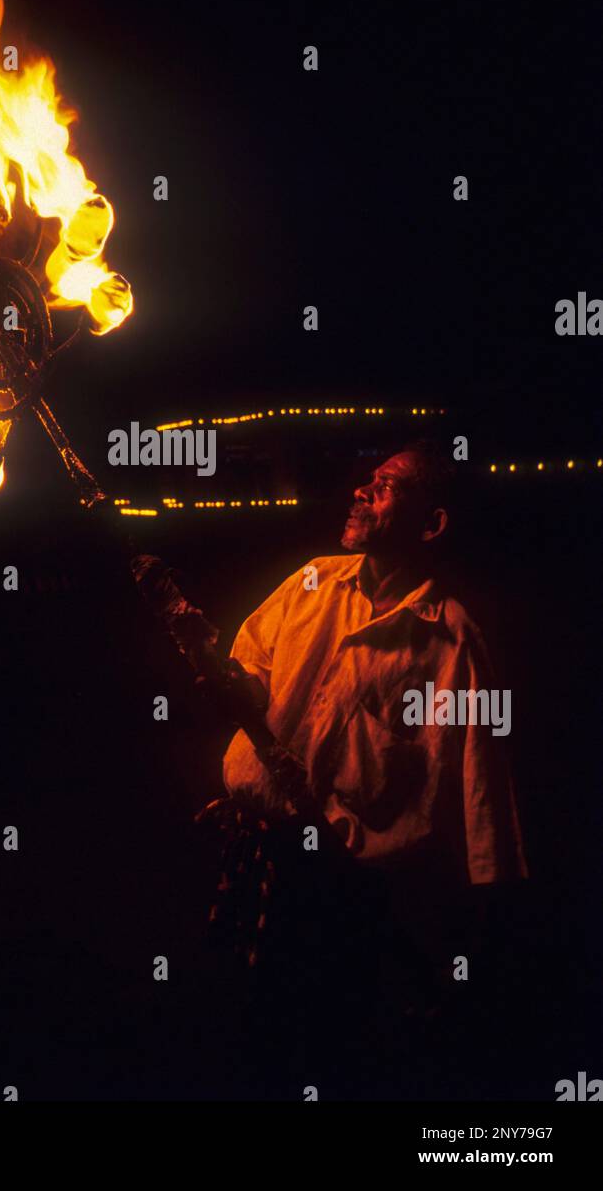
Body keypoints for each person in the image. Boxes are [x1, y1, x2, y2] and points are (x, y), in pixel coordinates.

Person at [215, 442, 527, 1095]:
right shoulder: (313, 580)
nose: (361, 492)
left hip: (351, 886)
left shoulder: (452, 637)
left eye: (384, 488)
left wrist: (478, 926)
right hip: (263, 853)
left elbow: (480, 784)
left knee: (334, 1045)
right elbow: (252, 663)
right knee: (243, 1027)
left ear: (432, 524)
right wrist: (226, 677)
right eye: (366, 482)